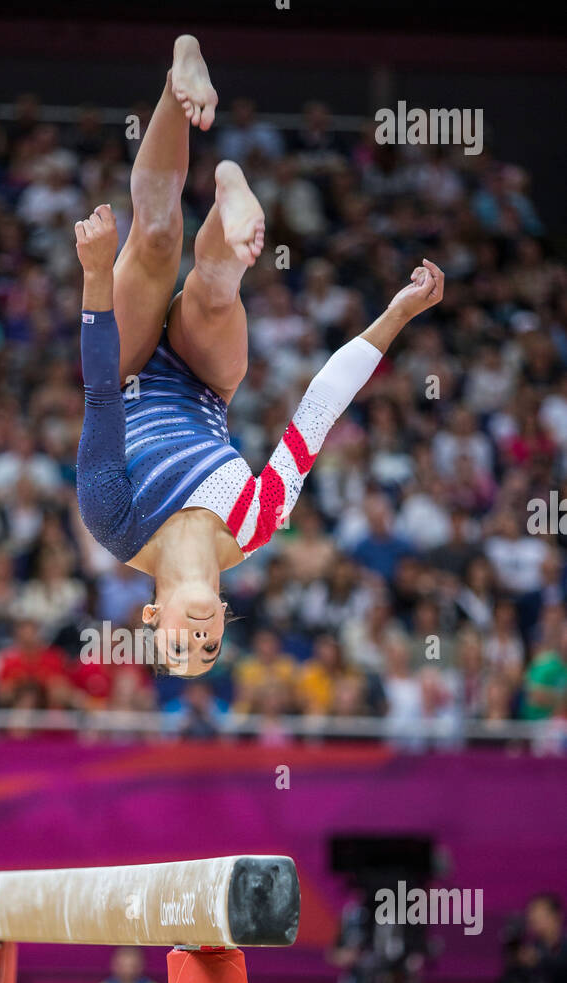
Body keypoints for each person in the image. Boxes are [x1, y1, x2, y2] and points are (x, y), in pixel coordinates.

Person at [73, 35, 445, 676]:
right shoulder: (256, 522)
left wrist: (96, 274)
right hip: (203, 380)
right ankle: (230, 194)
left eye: (177, 650)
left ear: (152, 619)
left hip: (126, 367)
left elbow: (102, 392)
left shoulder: (112, 523)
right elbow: (319, 410)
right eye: (209, 648)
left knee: (158, 236)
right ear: (224, 619)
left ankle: (176, 80)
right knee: (215, 290)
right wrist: (397, 316)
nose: (197, 640)